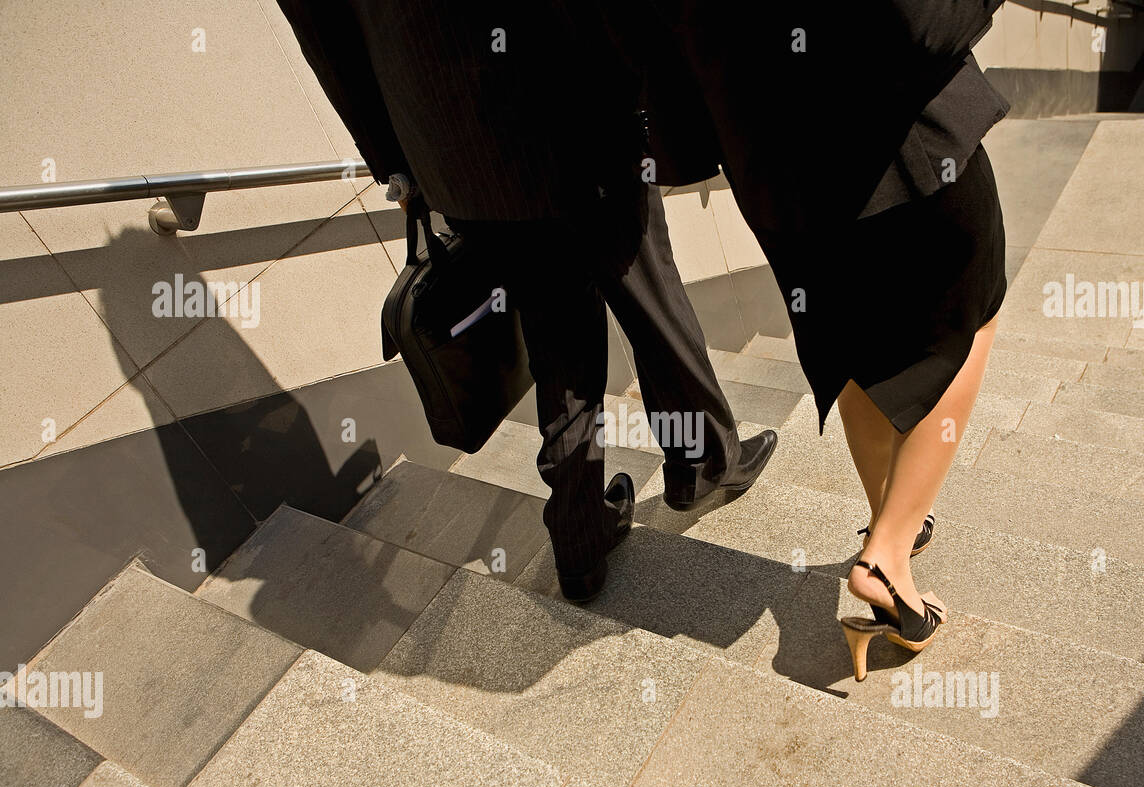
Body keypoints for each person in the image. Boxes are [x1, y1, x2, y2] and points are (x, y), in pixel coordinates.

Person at [276, 0, 777, 602]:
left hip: (460, 157)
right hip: (578, 109)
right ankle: (703, 464)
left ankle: (579, 538)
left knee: (556, 335)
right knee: (652, 301)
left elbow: (327, 39)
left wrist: (396, 162)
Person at [616, 1, 1008, 675]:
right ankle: (885, 559)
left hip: (775, 171)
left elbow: (654, 38)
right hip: (897, 133)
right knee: (973, 317)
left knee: (850, 345)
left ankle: (891, 518)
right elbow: (917, 20)